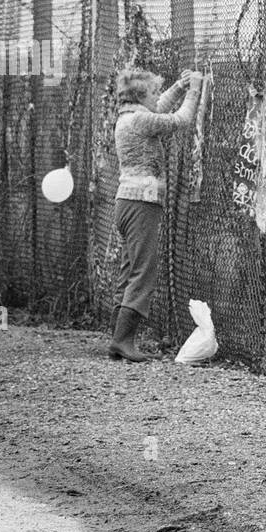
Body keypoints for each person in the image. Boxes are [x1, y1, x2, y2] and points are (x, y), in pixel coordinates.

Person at [108, 66, 207, 361]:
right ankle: (123, 341)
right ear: (140, 96)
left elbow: (159, 107)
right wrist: (193, 91)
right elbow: (181, 119)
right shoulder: (139, 120)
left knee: (128, 271)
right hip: (142, 204)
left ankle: (118, 338)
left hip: (125, 203)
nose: (155, 96)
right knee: (144, 272)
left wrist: (178, 86)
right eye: (152, 91)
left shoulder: (128, 118)